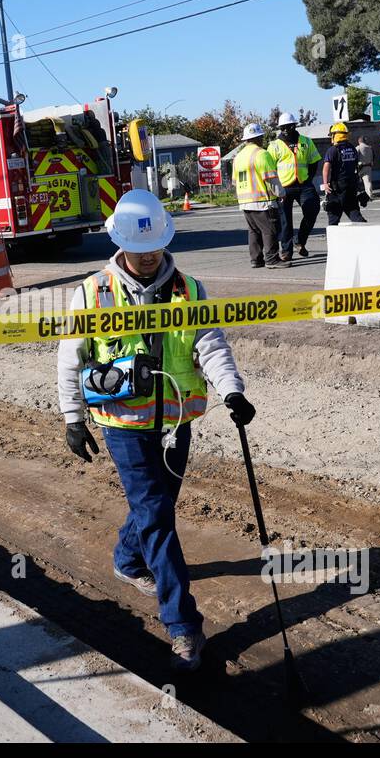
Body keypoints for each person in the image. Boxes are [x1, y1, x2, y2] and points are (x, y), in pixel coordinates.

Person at [57, 189, 256, 672]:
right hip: (121, 423)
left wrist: (232, 390)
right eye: (137, 249)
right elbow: (71, 353)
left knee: (157, 502)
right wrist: (72, 417)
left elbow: (210, 343)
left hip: (174, 421)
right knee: (157, 514)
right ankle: (183, 625)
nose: (147, 258)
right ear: (120, 243)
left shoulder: (189, 288)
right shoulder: (93, 291)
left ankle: (127, 560)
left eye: (153, 248)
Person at [267, 112, 321, 262]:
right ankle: (286, 251)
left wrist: (309, 178)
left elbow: (314, 161)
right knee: (285, 221)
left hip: (304, 184)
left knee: (312, 209)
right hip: (284, 187)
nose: (285, 130)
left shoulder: (306, 141)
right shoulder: (274, 146)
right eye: (282, 127)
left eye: (288, 126)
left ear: (294, 126)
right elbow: (270, 168)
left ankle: (300, 240)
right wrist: (274, 188)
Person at [231, 123, 286, 268]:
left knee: (254, 231)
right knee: (269, 230)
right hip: (262, 200)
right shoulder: (262, 154)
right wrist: (281, 193)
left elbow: (235, 182)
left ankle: (256, 259)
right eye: (261, 137)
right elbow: (271, 178)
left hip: (245, 202)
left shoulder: (238, 157)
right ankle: (272, 259)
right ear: (258, 138)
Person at [322, 122, 368, 225]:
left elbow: (326, 168)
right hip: (351, 187)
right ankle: (365, 233)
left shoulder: (332, 150)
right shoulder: (352, 148)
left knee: (333, 217)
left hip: (337, 188)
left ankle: (334, 239)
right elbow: (355, 167)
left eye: (332, 135)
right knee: (354, 212)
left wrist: (325, 183)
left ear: (335, 135)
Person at [356, 133, 375, 202]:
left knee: (355, 182)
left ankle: (356, 196)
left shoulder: (358, 148)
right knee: (368, 182)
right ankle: (369, 195)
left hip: (359, 167)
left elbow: (355, 157)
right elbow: (373, 157)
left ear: (359, 141)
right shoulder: (370, 148)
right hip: (368, 166)